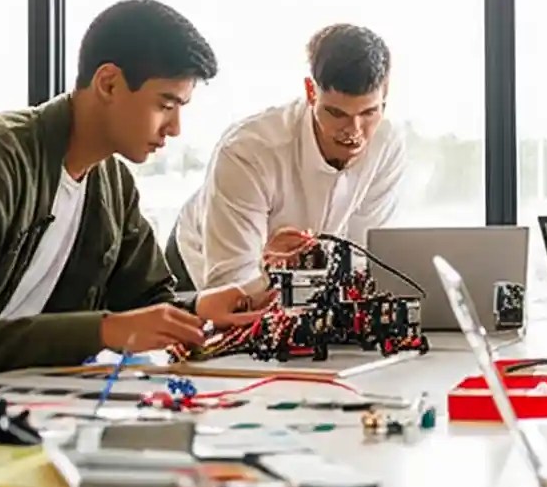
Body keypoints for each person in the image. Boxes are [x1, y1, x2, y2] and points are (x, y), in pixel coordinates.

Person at [0, 0, 275, 389]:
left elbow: (146, 301)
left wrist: (199, 307)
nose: (175, 128)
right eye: (165, 104)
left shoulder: (114, 185)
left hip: (14, 400)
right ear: (109, 83)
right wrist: (102, 331)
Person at [167, 23, 407, 292]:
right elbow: (230, 281)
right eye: (336, 114)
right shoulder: (248, 151)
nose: (353, 131)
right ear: (310, 91)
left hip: (302, 278)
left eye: (368, 113)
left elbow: (367, 259)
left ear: (385, 96)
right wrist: (266, 266)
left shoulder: (387, 144)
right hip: (201, 262)